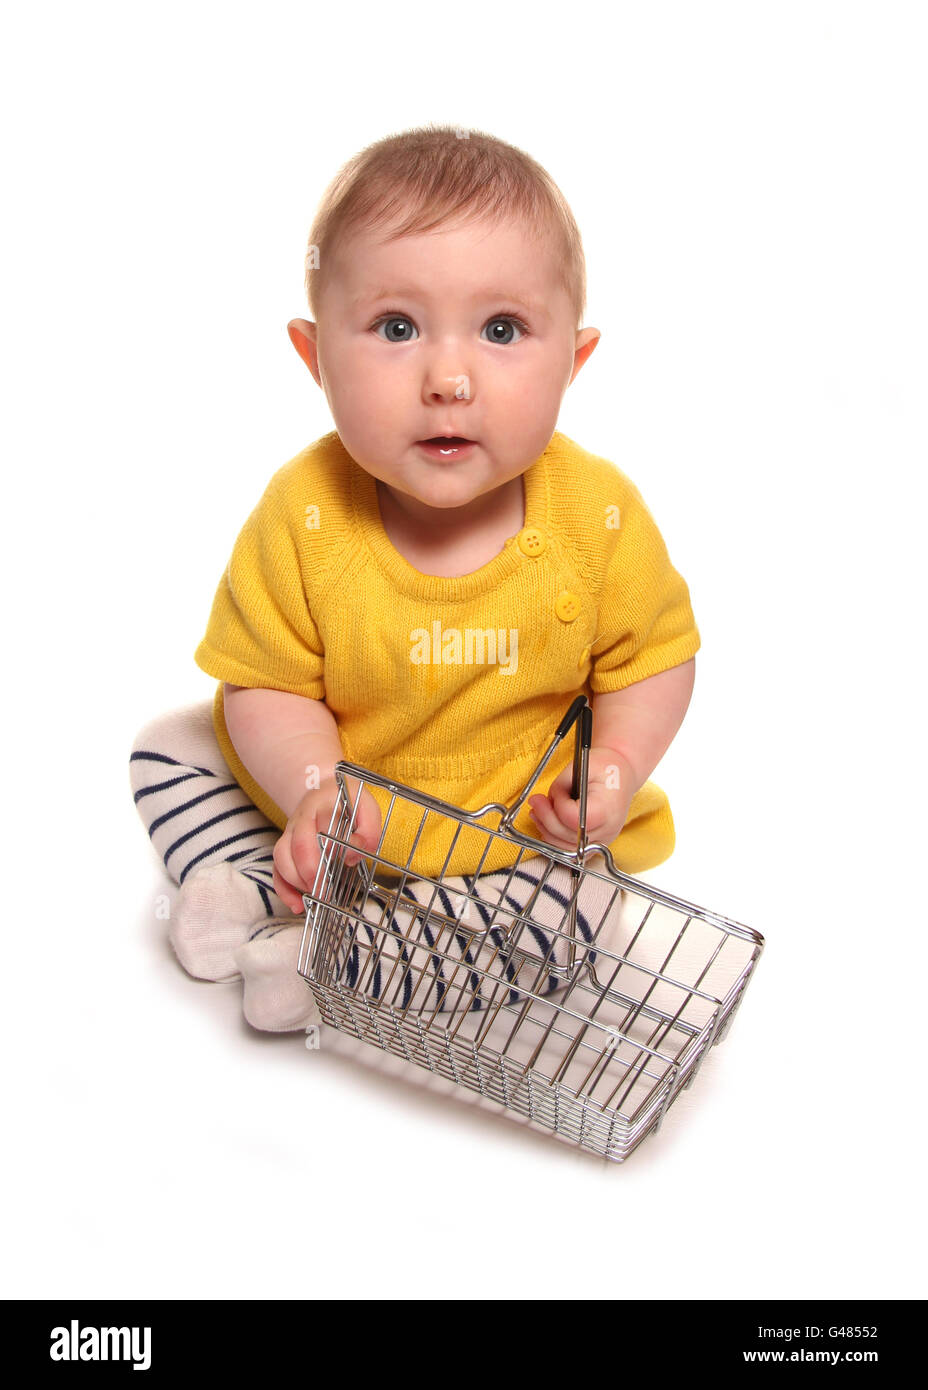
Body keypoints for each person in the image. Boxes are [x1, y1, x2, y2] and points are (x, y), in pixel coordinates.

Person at [129, 124, 700, 1033]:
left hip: (511, 834)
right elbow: (267, 686)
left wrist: (616, 771)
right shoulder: (303, 511)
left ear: (573, 362)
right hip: (343, 810)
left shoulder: (595, 515)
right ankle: (254, 880)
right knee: (174, 743)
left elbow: (652, 660)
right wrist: (314, 788)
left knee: (583, 909)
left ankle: (333, 964)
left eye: (502, 330)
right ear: (314, 357)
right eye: (396, 328)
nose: (449, 378)